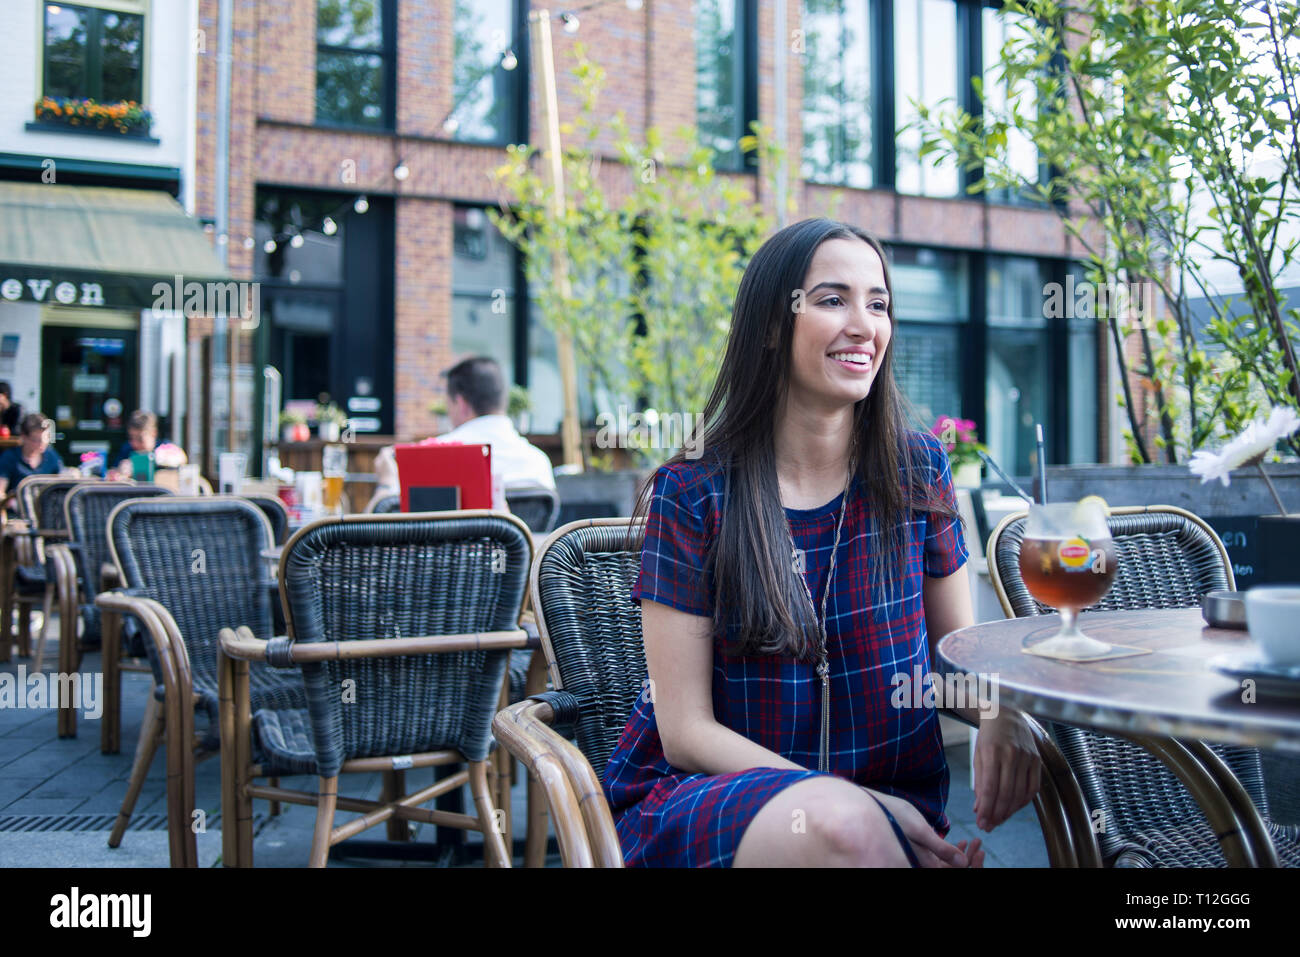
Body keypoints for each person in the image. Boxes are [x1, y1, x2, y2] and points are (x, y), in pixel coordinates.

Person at [603, 218, 1039, 867]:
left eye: (879, 303)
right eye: (834, 299)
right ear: (774, 326)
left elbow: (952, 666)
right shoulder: (693, 492)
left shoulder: (919, 472)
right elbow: (687, 731)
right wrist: (844, 799)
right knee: (841, 824)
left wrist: (1003, 707)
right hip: (718, 799)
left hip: (890, 809)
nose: (864, 324)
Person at [374, 356, 555, 504]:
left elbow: (379, 530)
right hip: (522, 549)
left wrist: (386, 485)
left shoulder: (433, 456)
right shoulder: (538, 462)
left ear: (460, 403)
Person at [0, 413, 65, 511]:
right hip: (17, 514)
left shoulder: (51, 456)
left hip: (47, 513)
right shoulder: (10, 457)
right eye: (36, 440)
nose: (42, 443)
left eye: (46, 438)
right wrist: (8, 502)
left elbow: (62, 482)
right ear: (24, 437)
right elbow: (1, 490)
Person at [107, 410, 168, 480]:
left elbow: (179, 458)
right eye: (131, 438)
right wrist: (119, 472)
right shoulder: (127, 449)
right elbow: (113, 472)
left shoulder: (165, 448)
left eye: (140, 439)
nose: (135, 443)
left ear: (153, 433)